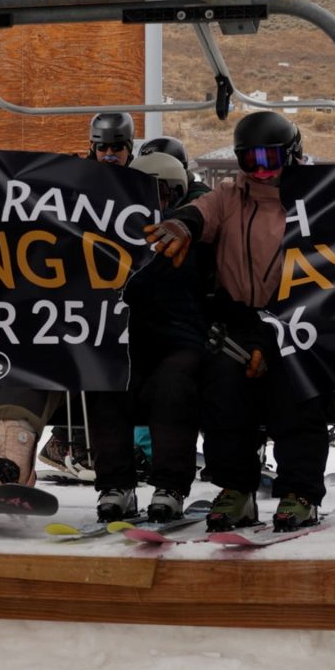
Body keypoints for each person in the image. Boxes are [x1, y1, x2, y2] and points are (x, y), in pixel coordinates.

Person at [146, 111, 332, 532]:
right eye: (250, 160)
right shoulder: (231, 196)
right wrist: (183, 223)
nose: (261, 171)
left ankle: (300, 490)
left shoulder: (315, 199)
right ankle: (236, 488)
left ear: (292, 154)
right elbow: (203, 210)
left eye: (270, 159)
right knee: (224, 387)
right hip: (240, 319)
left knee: (297, 391)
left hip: (297, 318)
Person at [85, 153, 206, 521]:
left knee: (174, 384)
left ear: (177, 194)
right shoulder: (113, 236)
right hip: (129, 340)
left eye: (162, 194)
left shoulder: (189, 237)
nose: (154, 203)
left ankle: (170, 484)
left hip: (178, 340)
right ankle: (115, 484)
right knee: (105, 377)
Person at [38, 112, 138, 479]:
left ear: (129, 149)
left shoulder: (138, 186)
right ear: (92, 147)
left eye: (117, 148)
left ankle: (88, 444)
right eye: (102, 148)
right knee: (74, 349)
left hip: (116, 290)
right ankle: (67, 441)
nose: (110, 155)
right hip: (76, 287)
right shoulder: (75, 180)